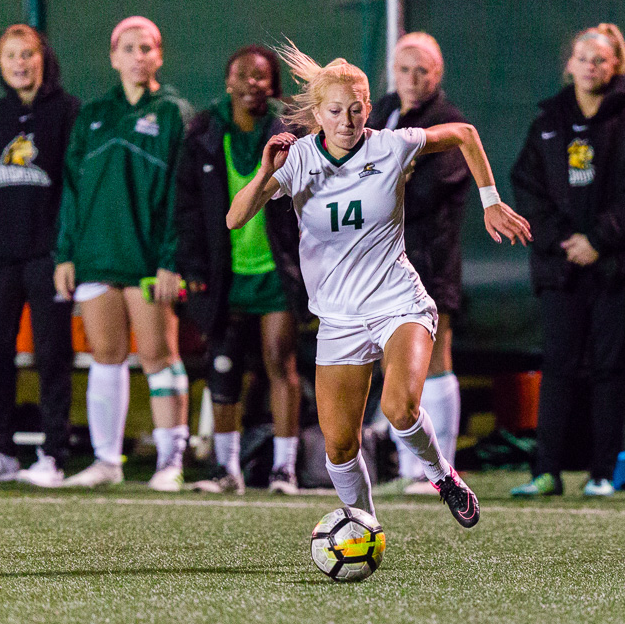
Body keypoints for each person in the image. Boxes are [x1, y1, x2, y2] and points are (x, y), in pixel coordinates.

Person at [227, 42, 531, 525]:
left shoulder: (390, 145)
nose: (346, 121)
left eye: (355, 109)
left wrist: (490, 201)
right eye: (335, 111)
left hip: (397, 303)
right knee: (339, 446)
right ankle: (364, 527)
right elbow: (235, 217)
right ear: (317, 114)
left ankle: (442, 476)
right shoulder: (298, 158)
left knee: (398, 407)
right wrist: (267, 171)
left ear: (368, 107)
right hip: (338, 317)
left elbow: (465, 134)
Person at [508, 24, 625, 498]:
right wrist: (565, 242)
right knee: (556, 368)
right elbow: (527, 188)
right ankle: (546, 471)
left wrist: (597, 240)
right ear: (569, 65)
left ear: (616, 65)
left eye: (600, 59)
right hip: (561, 270)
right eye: (583, 58)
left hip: (615, 270)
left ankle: (602, 473)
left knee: (608, 370)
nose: (591, 67)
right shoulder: (548, 123)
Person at [54, 16, 190, 490]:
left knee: (158, 355)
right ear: (113, 57)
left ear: (159, 55)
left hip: (148, 260)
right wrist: (65, 253)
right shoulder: (93, 114)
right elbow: (71, 189)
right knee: (106, 355)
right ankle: (106, 461)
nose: (137, 56)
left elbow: (182, 195)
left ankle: (171, 461)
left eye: (146, 48)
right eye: (128, 48)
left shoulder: (173, 113)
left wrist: (171, 259)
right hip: (95, 256)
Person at [176, 45, 309, 495]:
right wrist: (192, 266)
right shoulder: (203, 133)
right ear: (228, 82)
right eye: (243, 75)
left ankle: (284, 470)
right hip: (224, 275)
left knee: (280, 363)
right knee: (223, 367)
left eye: (261, 76)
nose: (252, 83)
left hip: (275, 273)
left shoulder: (291, 133)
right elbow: (187, 207)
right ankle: (225, 469)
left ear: (273, 85)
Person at [0, 24, 79, 487]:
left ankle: (52, 453)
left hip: (48, 257)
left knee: (52, 355)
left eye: (27, 54)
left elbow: (75, 189)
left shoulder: (68, 112)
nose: (19, 63)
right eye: (10, 55)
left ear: (43, 58)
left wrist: (67, 251)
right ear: (0, 64)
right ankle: (3, 451)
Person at [366, 32, 471, 495]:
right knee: (391, 361)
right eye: (404, 69)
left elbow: (424, 191)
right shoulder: (379, 112)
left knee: (435, 355)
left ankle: (437, 472)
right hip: (379, 260)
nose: (412, 79)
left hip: (430, 258)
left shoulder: (448, 123)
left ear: (438, 74)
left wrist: (381, 178)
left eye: (421, 70)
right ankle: (407, 466)